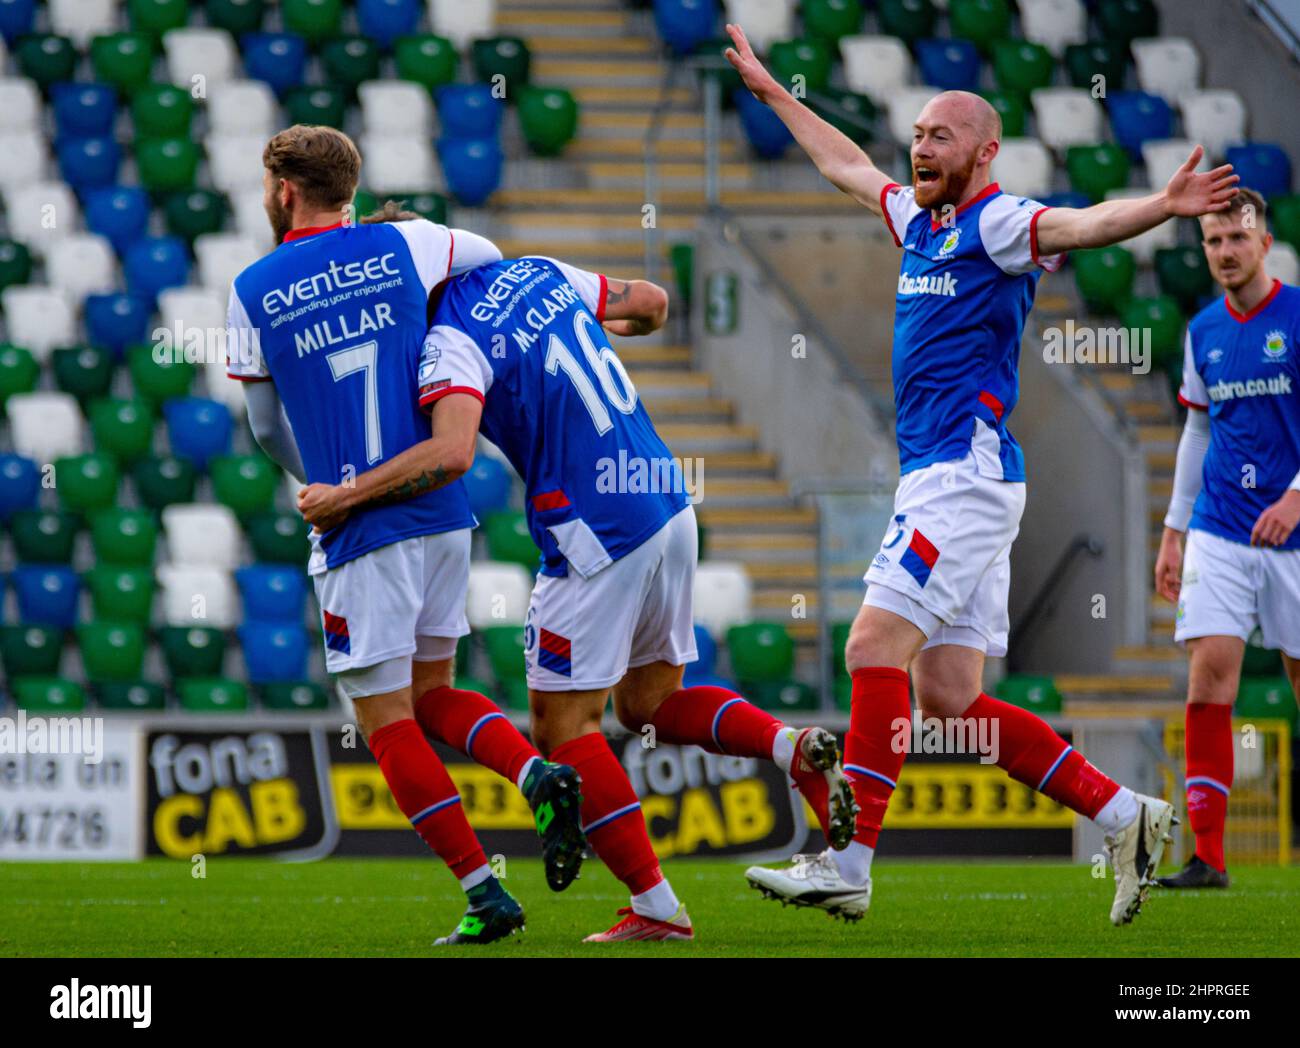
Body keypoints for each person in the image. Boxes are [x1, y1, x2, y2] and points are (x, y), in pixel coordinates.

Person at [722, 21, 1237, 925]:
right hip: (956, 479)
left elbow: (1081, 224)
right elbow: (846, 165)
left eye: (941, 136)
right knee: (952, 696)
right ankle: (1127, 815)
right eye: (917, 135)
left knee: (870, 649)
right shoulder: (919, 222)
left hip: (960, 475)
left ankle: (847, 861)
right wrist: (771, 92)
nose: (921, 147)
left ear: (986, 151)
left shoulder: (999, 222)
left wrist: (1162, 206)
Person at [298, 254, 860, 942]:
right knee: (646, 706)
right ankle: (788, 746)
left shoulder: (450, 340)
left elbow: (452, 453)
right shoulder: (539, 272)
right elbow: (652, 302)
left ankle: (657, 908)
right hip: (665, 497)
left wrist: (344, 495)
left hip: (593, 528)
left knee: (565, 730)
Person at [226, 125, 584, 946]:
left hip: (361, 527)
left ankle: (484, 893)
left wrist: (324, 487)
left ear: (285, 191)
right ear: (351, 186)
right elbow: (489, 256)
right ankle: (535, 773)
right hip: (440, 509)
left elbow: (261, 422)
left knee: (385, 719)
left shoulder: (253, 286)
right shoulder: (411, 245)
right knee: (435, 696)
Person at [1154, 187, 1300, 889]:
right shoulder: (1202, 330)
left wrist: (1297, 495)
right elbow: (1198, 429)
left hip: (1293, 535)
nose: (1225, 252)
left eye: (1237, 238)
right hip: (1220, 527)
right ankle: (1208, 856)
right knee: (1209, 676)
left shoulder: (1298, 318)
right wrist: (1174, 530)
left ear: (1265, 242)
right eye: (1213, 242)